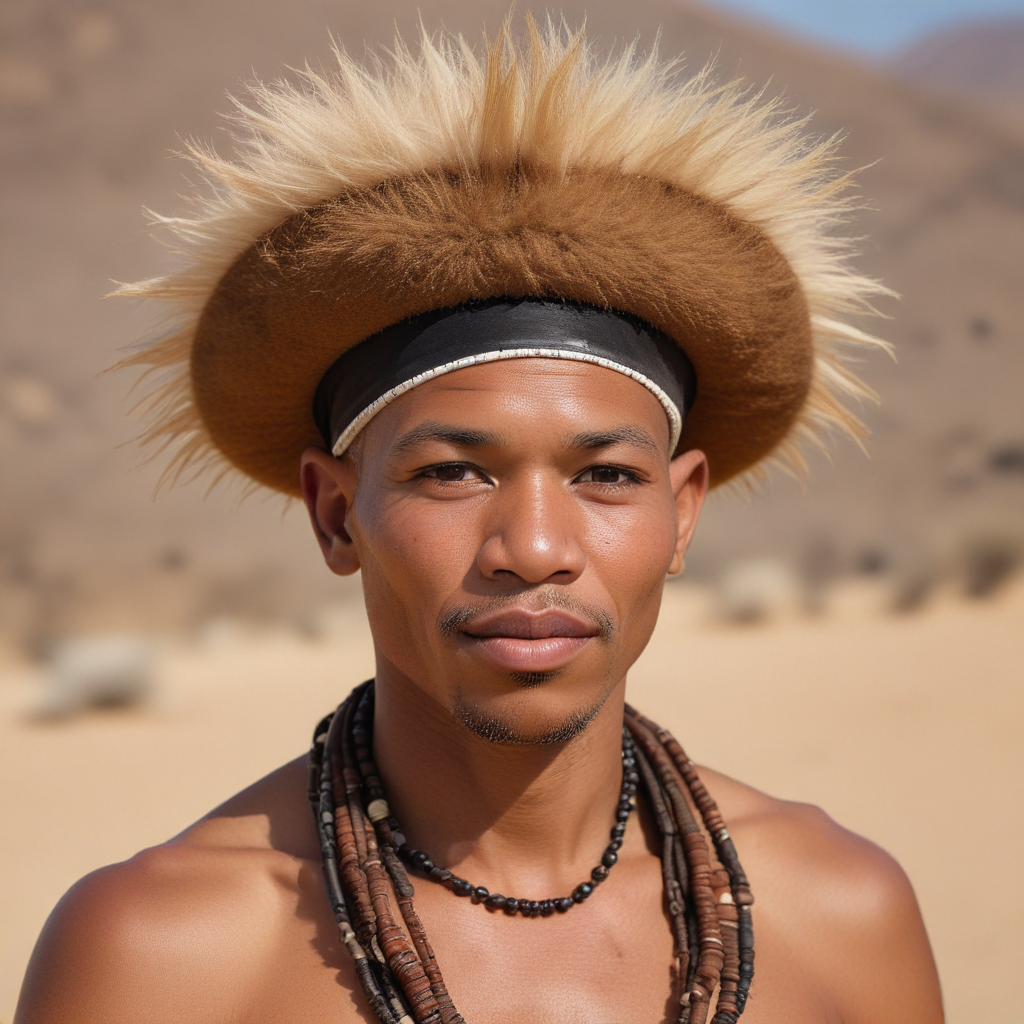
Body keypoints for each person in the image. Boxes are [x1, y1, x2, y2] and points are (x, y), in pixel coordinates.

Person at [15, 19, 944, 1024]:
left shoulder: (839, 914)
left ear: (682, 513)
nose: (535, 549)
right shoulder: (163, 958)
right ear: (335, 514)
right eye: (454, 471)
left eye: (605, 476)